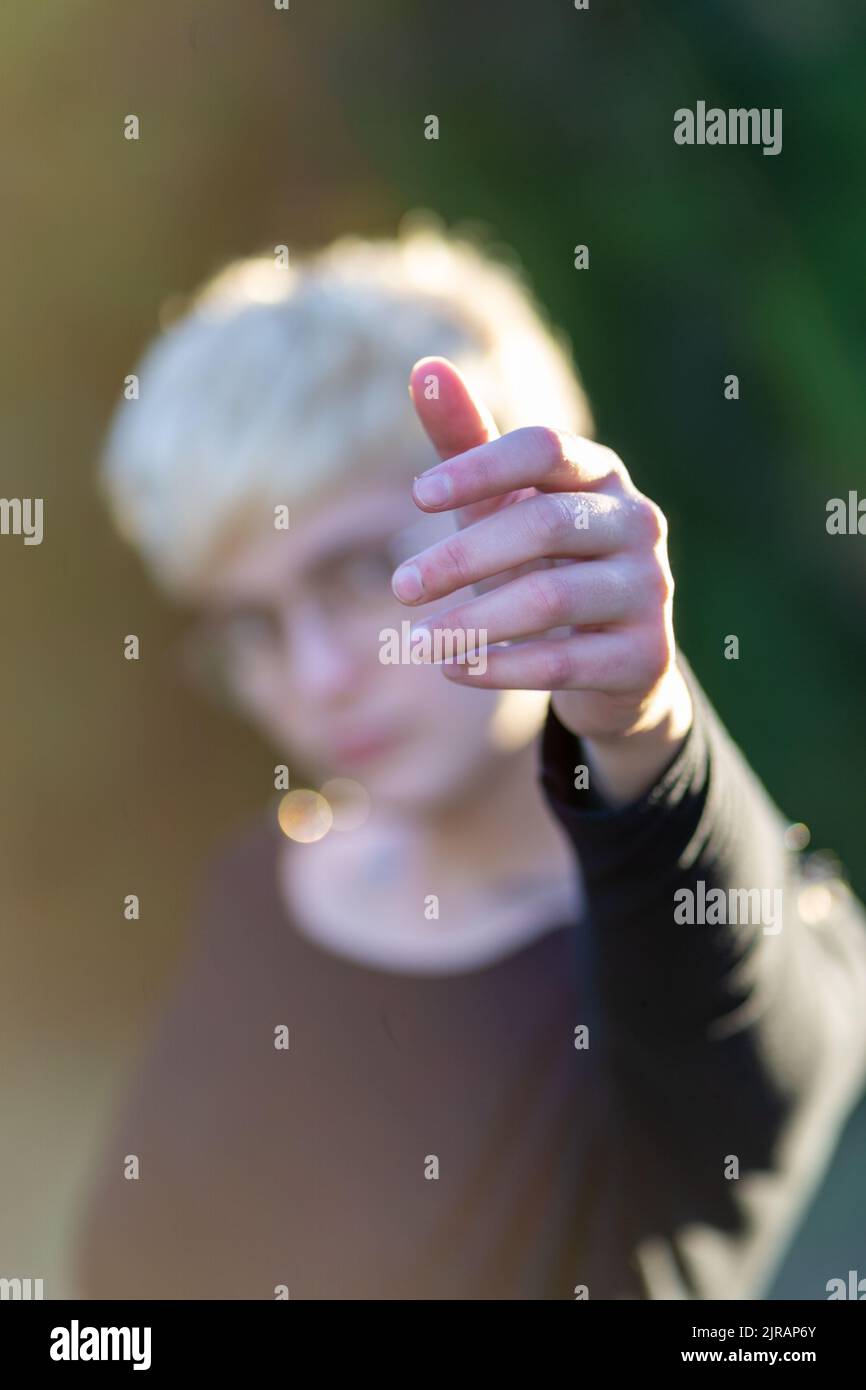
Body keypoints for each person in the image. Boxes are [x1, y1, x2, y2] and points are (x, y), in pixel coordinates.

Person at [76, 224, 866, 1300]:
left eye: (356, 571)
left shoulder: (705, 954)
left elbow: (719, 963)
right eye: (251, 625)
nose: (314, 672)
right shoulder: (263, 884)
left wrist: (637, 720)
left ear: (529, 529)